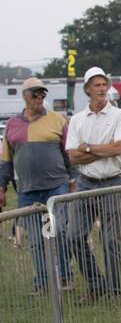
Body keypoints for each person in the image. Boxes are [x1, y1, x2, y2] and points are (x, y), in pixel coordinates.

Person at [64, 67, 121, 298]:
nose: (102, 89)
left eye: (104, 84)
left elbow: (119, 147)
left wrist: (88, 147)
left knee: (109, 240)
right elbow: (72, 156)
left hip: (112, 182)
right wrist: (105, 151)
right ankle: (96, 285)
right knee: (74, 236)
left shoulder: (120, 115)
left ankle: (114, 289)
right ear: (87, 90)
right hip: (85, 183)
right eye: (97, 85)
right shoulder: (77, 119)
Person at [0, 78, 74, 293]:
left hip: (56, 186)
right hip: (27, 191)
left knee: (56, 231)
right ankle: (42, 282)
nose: (40, 97)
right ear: (25, 96)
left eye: (43, 94)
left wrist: (73, 181)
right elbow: (6, 160)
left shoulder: (57, 120)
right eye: (35, 94)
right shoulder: (13, 125)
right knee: (36, 239)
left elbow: (68, 154)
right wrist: (1, 188)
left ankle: (64, 278)